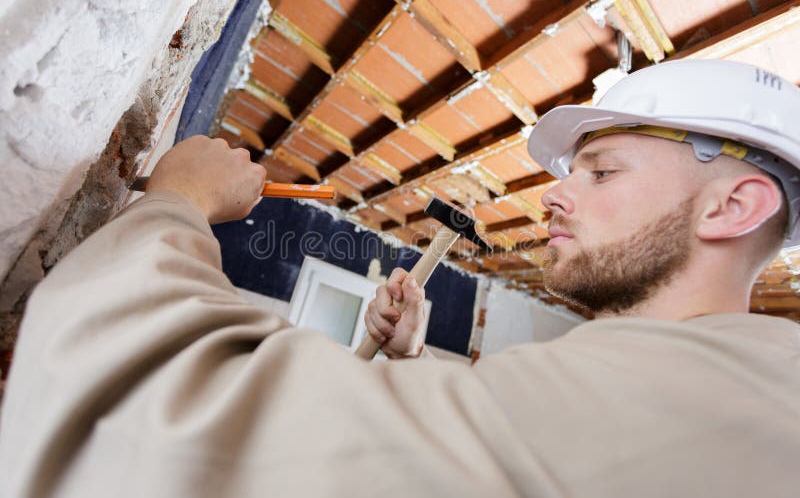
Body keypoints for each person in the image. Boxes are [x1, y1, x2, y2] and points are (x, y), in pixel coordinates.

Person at [0, 60, 798, 497]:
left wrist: (180, 200)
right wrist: (410, 366)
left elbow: (147, 425)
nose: (554, 193)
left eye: (601, 171)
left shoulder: (703, 401)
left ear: (732, 205)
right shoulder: (721, 399)